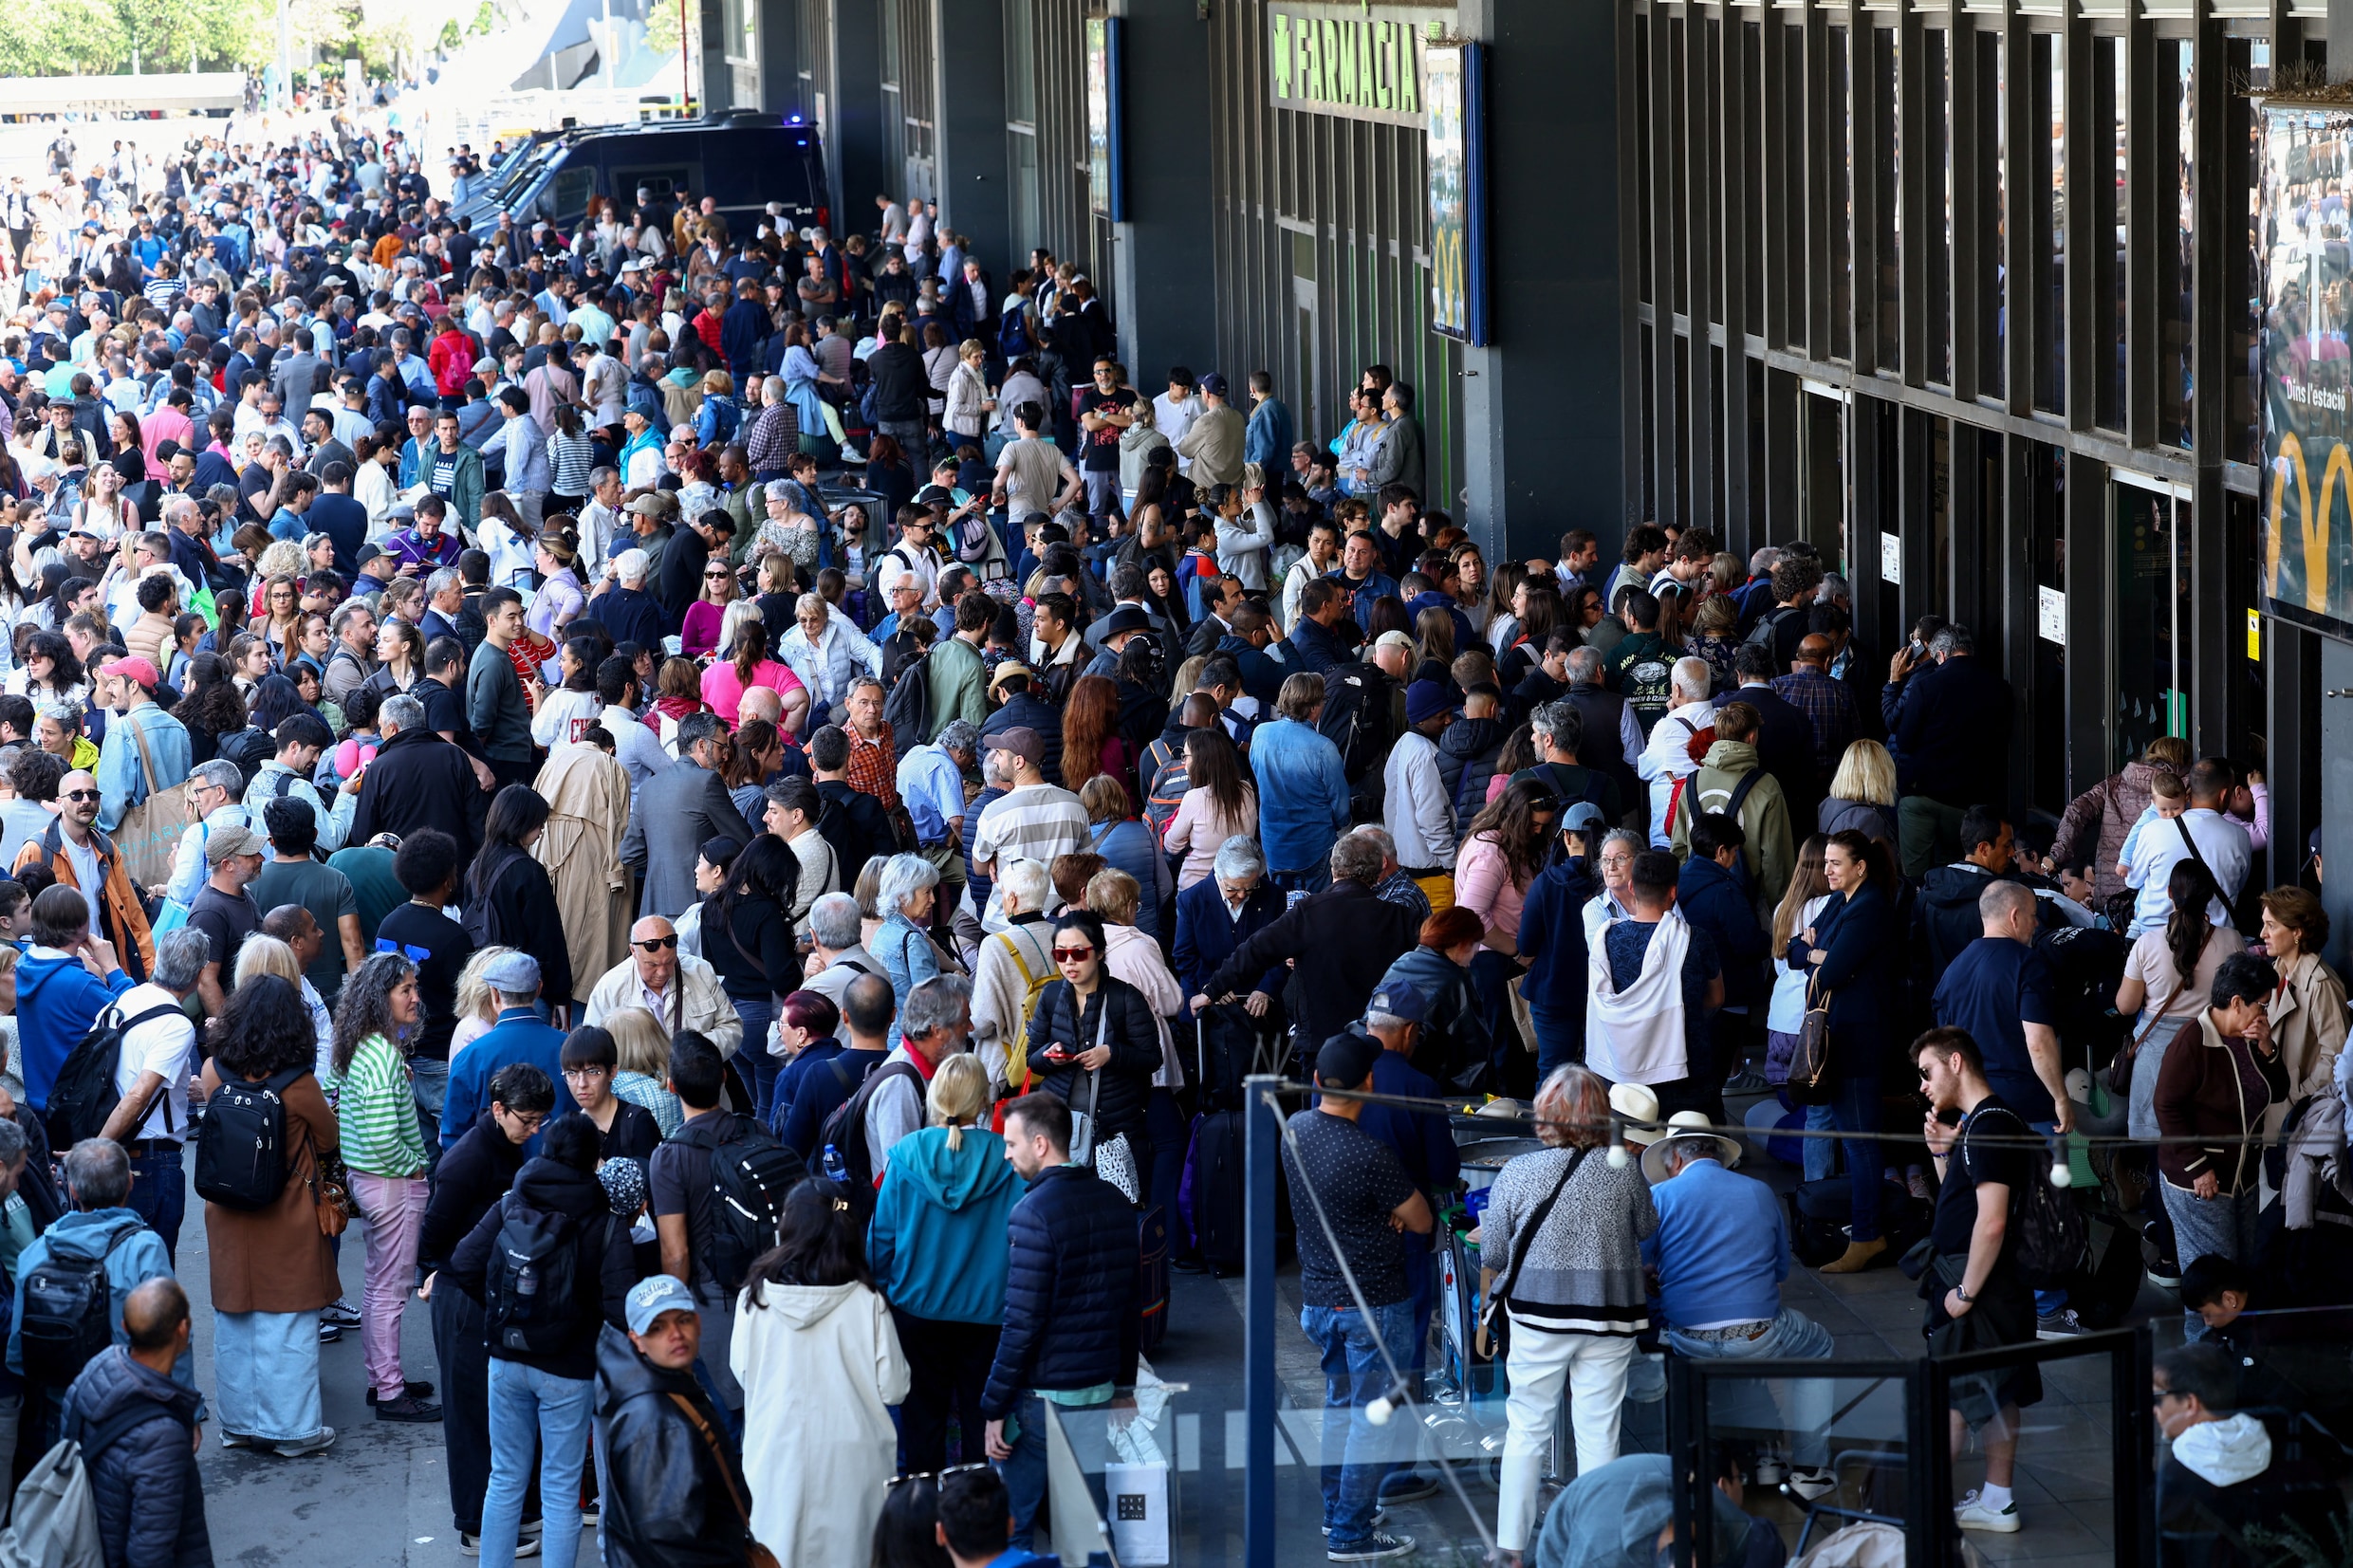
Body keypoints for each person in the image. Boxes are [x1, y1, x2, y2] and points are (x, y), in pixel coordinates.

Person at [1480, 1064, 1657, 1559]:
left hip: (1538, 1317)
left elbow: (1494, 1252)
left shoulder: (1516, 1172)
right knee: (1600, 1432)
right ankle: (1597, 1550)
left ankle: (1510, 1551)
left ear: (1544, 1117)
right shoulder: (1623, 1168)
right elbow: (1645, 1227)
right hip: (1610, 1316)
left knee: (1527, 1429)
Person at [448, 1113, 637, 1568]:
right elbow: (619, 1307)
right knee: (559, 1487)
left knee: (505, 1477)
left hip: (506, 1359)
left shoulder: (513, 1200)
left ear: (546, 1153)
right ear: (595, 1161)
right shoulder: (605, 1220)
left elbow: (464, 1262)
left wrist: (502, 1314)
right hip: (569, 1370)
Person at [1279, 1029, 1433, 1562]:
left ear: (1318, 1081)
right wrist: (1389, 1208)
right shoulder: (1371, 1154)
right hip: (1373, 1304)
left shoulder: (1295, 1129)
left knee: (1341, 1408)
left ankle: (1339, 1513)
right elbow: (1421, 1219)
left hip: (1320, 1303)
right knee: (1370, 1418)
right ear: (1368, 1083)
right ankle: (1351, 1533)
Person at [1640, 1112, 1836, 1497]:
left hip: (1687, 1337)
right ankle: (1809, 1469)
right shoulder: (1758, 1191)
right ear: (1717, 1153)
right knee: (1816, 1345)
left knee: (1738, 1357)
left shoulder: (1660, 1196)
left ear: (1675, 1159)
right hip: (1758, 1332)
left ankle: (1763, 1455)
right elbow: (1780, 1271)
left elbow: (1639, 1265)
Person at [980, 1092, 1140, 1551]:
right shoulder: (1115, 1202)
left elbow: (1022, 1323)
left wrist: (994, 1407)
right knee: (1090, 1521)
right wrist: (1124, 1385)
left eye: (1011, 1144)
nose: (1006, 1153)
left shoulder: (1030, 1214)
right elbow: (1130, 1304)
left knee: (1015, 1527)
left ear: (1040, 1143)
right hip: (1097, 1388)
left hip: (1041, 1399)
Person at [196, 975, 342, 1457]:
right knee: (289, 1322)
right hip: (287, 1212)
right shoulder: (297, 1084)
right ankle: (293, 1431)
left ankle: (239, 1424)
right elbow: (327, 1140)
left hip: (227, 1211)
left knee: (234, 1318)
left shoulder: (215, 1071)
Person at [732, 1177, 910, 1565]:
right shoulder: (867, 1301)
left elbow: (741, 1372)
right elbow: (895, 1387)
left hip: (777, 1453)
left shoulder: (754, 1297)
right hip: (854, 1459)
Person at [1915, 1026, 2047, 1536]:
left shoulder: (1988, 1125)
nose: (1923, 1085)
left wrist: (1964, 1294)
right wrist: (1942, 1151)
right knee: (1996, 1389)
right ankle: (1997, 1500)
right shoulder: (1985, 1123)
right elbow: (1965, 1202)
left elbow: (1991, 1221)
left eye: (1926, 1072)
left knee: (1951, 1393)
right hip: (1993, 1281)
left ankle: (1931, 1508)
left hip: (1981, 1286)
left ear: (1954, 1062)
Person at [420, 1061, 554, 1554]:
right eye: (527, 1120)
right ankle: (476, 1525)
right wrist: (442, 1270)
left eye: (540, 1121)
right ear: (498, 1110)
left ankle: (507, 1513)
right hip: (464, 1299)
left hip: (484, 1294)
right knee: (471, 1413)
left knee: (498, 1411)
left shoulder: (502, 1147)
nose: (534, 1130)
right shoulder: (467, 1160)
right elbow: (432, 1235)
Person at [867, 1052, 1020, 1471]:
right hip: (988, 1316)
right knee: (982, 1426)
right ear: (983, 1101)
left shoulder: (905, 1155)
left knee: (920, 1428)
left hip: (915, 1312)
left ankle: (922, 1521)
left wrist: (885, 1292)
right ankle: (975, 1523)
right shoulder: (1007, 1159)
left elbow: (881, 1242)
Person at [1195, 832, 1422, 1073]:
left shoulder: (1308, 913)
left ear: (1334, 869)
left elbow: (1255, 950)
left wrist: (1212, 990)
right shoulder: (1401, 918)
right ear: (1377, 874)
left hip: (1322, 1047)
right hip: (1381, 1042)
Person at [329, 950, 439, 1421]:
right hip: (391, 1183)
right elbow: (380, 1134)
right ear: (381, 998)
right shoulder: (380, 1054)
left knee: (378, 1287)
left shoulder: (365, 1046)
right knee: (392, 1292)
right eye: (405, 990)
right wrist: (414, 1166)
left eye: (414, 988)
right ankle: (391, 1392)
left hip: (372, 1182)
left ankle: (383, 1379)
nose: (416, 998)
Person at [2155, 954, 2288, 1337]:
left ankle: (2237, 1358)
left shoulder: (2250, 1038)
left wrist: (2268, 1048)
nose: (2264, 1012)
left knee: (2240, 1272)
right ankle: (2202, 1362)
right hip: (2201, 1184)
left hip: (2242, 1179)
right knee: (2213, 1282)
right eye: (2261, 1004)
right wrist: (2197, 1166)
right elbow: (2167, 1105)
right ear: (2236, 1003)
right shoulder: (2192, 1042)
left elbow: (2277, 1091)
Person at [594, 1274, 758, 1568]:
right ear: (637, 1340)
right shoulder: (656, 1420)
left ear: (697, 1322)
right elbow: (669, 1539)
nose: (675, 1334)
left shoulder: (671, 1391)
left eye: (682, 1320)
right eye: (657, 1328)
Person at [1788, 829, 1898, 1273]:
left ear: (1860, 866)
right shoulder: (1843, 901)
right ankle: (1859, 1228)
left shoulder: (1869, 906)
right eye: (1825, 862)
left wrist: (1817, 952)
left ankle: (1868, 1235)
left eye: (1835, 863)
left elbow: (1828, 968)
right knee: (1849, 1136)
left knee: (1861, 1143)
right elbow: (1794, 951)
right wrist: (1815, 951)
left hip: (1858, 1039)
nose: (1826, 870)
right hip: (1840, 1035)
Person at [60, 1276, 210, 1568]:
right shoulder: (162, 1436)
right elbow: (150, 1552)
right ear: (183, 1329)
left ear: (125, 1328)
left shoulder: (94, 1371)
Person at [90, 926, 206, 1264]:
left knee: (118, 1269)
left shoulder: (123, 1002)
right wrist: (96, 1149)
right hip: (151, 1160)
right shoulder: (176, 1024)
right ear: (198, 976)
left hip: (120, 1151)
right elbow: (139, 1094)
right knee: (153, 1273)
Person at [1584, 848, 1722, 1117]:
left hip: (1620, 1070)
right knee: (1694, 1143)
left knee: (1630, 1145)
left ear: (1632, 886)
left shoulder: (1605, 939)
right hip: (1686, 1066)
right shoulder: (1696, 940)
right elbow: (1717, 998)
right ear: (1673, 892)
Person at [377, 828, 479, 1153]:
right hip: (441, 1059)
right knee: (457, 1148)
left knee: (422, 1154)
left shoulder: (388, 924)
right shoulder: (453, 936)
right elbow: (467, 1003)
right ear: (448, 879)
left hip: (401, 1057)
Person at [1881, 623, 2012, 876]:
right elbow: (2001, 741)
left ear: (1939, 655)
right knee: (1957, 872)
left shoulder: (1925, 686)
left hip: (1922, 796)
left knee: (1916, 877)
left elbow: (1905, 740)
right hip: (1970, 801)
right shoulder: (1999, 689)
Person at [621, 711, 757, 919]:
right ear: (702, 746)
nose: (725, 755)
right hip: (696, 904)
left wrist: (665, 863)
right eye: (722, 747)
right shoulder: (708, 781)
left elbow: (629, 852)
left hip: (653, 906)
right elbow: (743, 838)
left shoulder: (649, 786)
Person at [16, 882, 136, 1116]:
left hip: (42, 1107)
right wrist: (112, 967)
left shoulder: (25, 965)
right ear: (83, 926)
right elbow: (135, 1015)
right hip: (77, 1112)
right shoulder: (79, 985)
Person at [441, 951, 576, 1150]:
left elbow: (454, 1137)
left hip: (494, 1176)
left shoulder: (471, 1056)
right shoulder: (570, 1047)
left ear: (494, 993)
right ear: (539, 989)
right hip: (562, 1172)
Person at [463, 785, 575, 1018]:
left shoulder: (475, 868)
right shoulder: (528, 871)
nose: (541, 831)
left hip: (483, 988)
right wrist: (561, 995)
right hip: (525, 992)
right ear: (520, 822)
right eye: (538, 824)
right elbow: (548, 939)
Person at [584, 915, 745, 1055]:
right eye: (652, 965)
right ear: (633, 951)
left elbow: (732, 1026)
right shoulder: (609, 987)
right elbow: (593, 1047)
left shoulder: (700, 971)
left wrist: (696, 1051)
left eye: (669, 962)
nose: (662, 972)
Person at [1251, 673, 1351, 893]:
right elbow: (1342, 809)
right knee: (1315, 913)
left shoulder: (1260, 734)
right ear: (1314, 708)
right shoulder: (1324, 748)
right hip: (1314, 847)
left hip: (1274, 846)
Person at [558, 1024, 661, 1162]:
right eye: (572, 1073)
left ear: (612, 1072)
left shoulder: (638, 1123)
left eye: (593, 1072)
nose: (582, 1084)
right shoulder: (567, 1130)